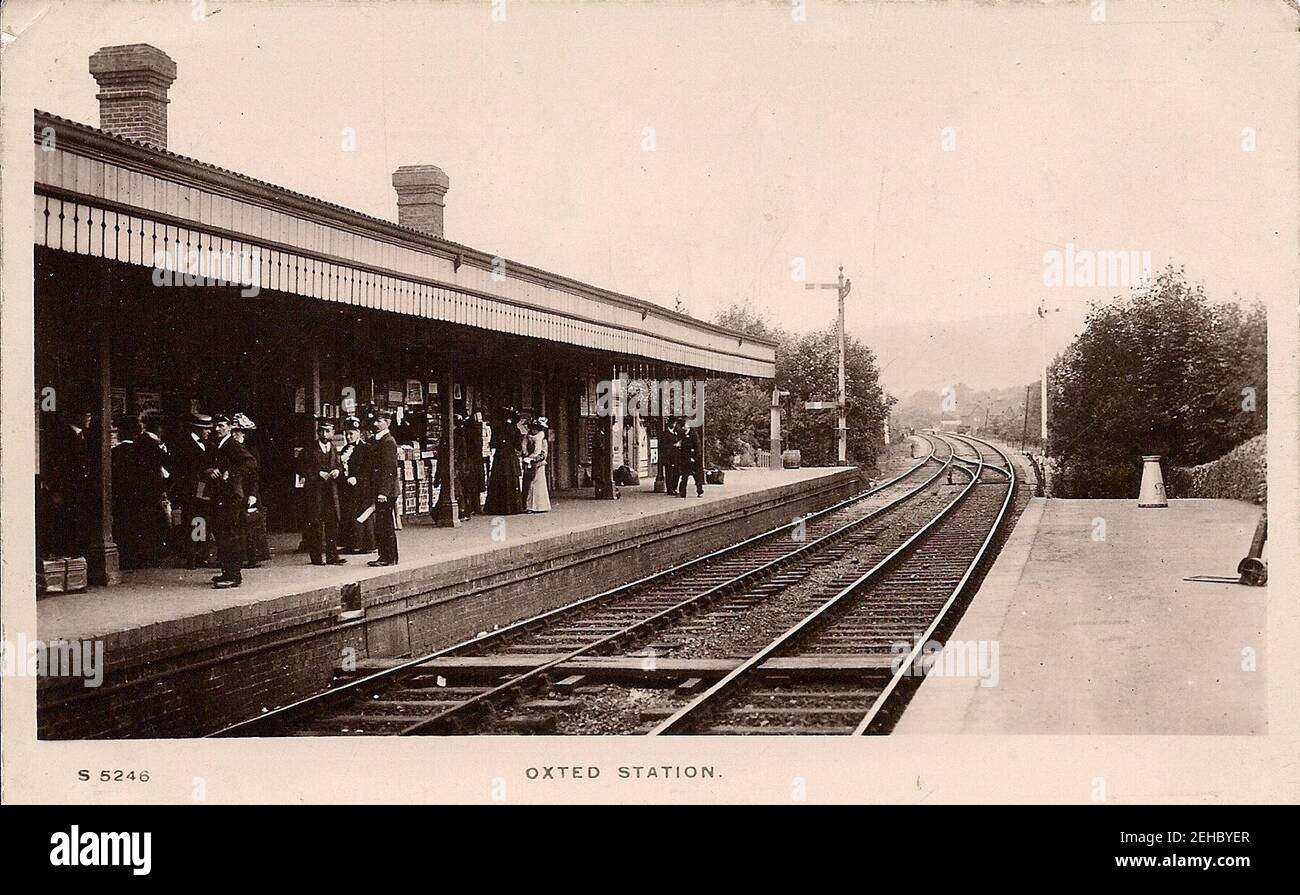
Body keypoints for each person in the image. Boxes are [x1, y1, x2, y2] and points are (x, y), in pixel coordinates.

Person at [206, 414, 255, 588]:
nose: (217, 429)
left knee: (231, 535)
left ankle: (234, 575)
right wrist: (212, 469)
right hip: (221, 495)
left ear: (229, 427)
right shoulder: (218, 445)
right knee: (223, 535)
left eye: (220, 426)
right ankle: (226, 572)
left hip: (232, 496)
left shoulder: (232, 445)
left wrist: (230, 472)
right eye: (215, 426)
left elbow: (250, 462)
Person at [299, 417, 346, 566]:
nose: (325, 434)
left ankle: (332, 556)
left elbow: (339, 465)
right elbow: (301, 468)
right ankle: (317, 557)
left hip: (331, 492)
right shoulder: (309, 449)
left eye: (328, 431)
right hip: (315, 492)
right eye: (322, 431)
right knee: (315, 523)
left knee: (332, 523)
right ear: (318, 432)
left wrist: (337, 472)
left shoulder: (333, 448)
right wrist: (317, 474)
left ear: (333, 433)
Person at [130, 410, 172, 566]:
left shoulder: (143, 441)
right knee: (150, 522)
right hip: (150, 488)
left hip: (147, 488)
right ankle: (149, 556)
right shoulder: (149, 442)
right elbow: (163, 463)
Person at [175, 412, 216, 569]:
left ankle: (201, 554)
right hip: (191, 490)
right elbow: (181, 469)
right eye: (206, 429)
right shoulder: (184, 446)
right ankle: (193, 555)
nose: (209, 432)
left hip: (206, 490)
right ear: (197, 430)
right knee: (193, 521)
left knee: (203, 520)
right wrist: (204, 471)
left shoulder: (209, 445)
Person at [232, 414, 270, 568]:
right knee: (238, 524)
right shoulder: (232, 448)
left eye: (238, 431)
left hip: (249, 490)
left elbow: (255, 474)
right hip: (237, 489)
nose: (235, 434)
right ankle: (240, 557)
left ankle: (253, 557)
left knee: (251, 524)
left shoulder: (251, 450)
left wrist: (253, 494)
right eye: (233, 431)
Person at [337, 416, 375, 554]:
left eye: (351, 433)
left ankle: (366, 544)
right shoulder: (345, 449)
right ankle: (351, 544)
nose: (348, 436)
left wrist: (357, 478)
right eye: (346, 433)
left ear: (359, 433)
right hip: (347, 487)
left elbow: (369, 469)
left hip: (362, 488)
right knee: (348, 514)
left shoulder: (366, 449)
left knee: (361, 514)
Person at [368, 410, 400, 566]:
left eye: (379, 421)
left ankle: (388, 557)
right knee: (382, 523)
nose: (375, 424)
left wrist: (383, 492)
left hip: (385, 491)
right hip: (382, 489)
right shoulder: (379, 440)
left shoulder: (388, 442)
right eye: (375, 421)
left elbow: (389, 469)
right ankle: (387, 556)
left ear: (388, 422)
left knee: (384, 524)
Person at [483, 407, 526, 515]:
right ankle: (512, 508)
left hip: (500, 458)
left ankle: (497, 508)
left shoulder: (497, 428)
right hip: (510, 457)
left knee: (498, 481)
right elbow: (518, 446)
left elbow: (493, 444)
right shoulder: (515, 429)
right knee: (511, 481)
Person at [523, 417, 552, 513]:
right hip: (529, 463)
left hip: (538, 465)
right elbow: (525, 449)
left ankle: (539, 506)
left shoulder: (542, 440)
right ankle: (529, 506)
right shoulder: (528, 438)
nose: (533, 431)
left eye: (535, 429)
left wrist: (534, 459)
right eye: (532, 428)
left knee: (538, 485)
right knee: (529, 485)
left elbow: (544, 454)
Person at [677, 423, 705, 498]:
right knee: (684, 476)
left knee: (696, 476)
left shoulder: (694, 434)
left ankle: (700, 491)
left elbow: (698, 447)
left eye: (684, 426)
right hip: (685, 459)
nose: (683, 427)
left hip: (693, 459)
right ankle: (682, 492)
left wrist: (694, 457)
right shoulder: (682, 435)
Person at [662, 419, 682, 496]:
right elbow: (664, 446)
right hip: (668, 457)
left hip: (675, 457)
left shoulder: (676, 433)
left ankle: (674, 487)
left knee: (677, 472)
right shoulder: (665, 434)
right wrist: (673, 445)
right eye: (673, 423)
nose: (674, 425)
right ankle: (670, 489)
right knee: (669, 473)